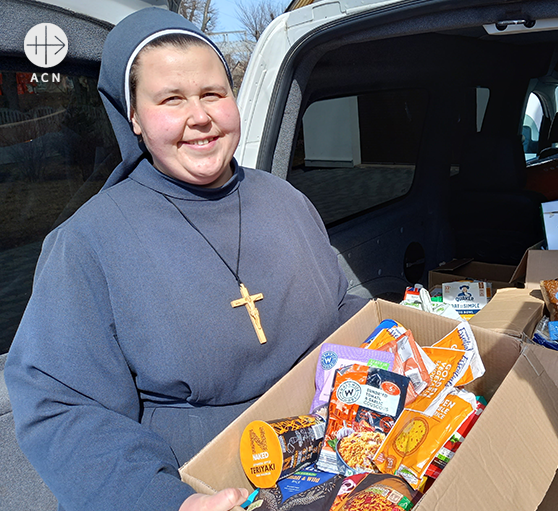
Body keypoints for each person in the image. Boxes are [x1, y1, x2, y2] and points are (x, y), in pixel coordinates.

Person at [5, 8, 365, 511]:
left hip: (342, 459)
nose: (200, 115)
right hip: (206, 490)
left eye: (213, 93)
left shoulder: (285, 199)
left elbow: (345, 303)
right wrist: (166, 501)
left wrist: (397, 350)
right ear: (132, 116)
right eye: (171, 99)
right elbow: (64, 410)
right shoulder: (87, 244)